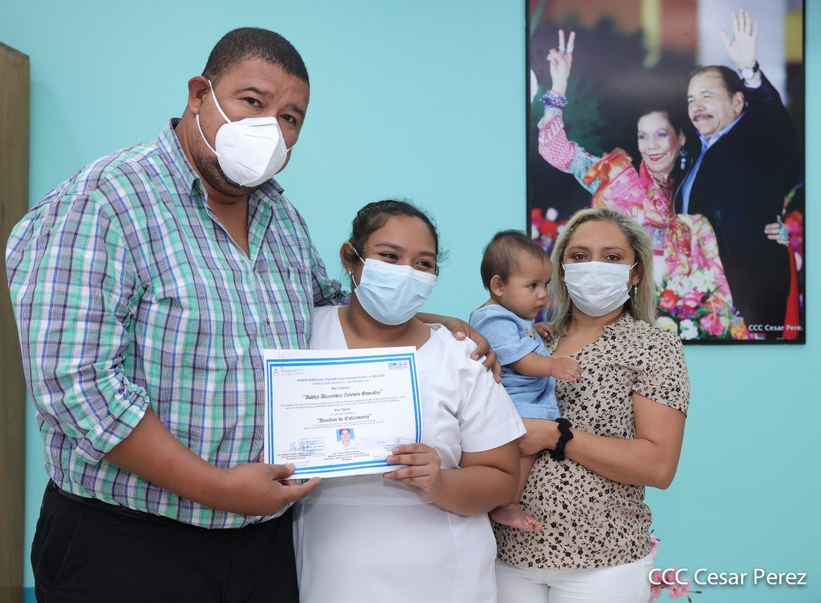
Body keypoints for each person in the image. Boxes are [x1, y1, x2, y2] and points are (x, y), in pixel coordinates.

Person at [6, 28, 494, 603]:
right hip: (129, 545)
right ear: (198, 94)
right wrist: (217, 488)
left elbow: (327, 309)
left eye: (291, 118)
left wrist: (431, 320)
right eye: (253, 102)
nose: (271, 130)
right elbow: (75, 387)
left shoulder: (279, 216)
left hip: (263, 543)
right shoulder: (103, 202)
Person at [294, 200, 526, 603]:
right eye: (389, 256)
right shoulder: (302, 337)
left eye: (423, 263)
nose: (406, 273)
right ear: (351, 259)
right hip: (329, 577)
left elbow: (502, 478)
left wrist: (439, 482)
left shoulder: (461, 357)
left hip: (447, 581)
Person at [493, 206, 690, 603]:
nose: (594, 267)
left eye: (612, 258)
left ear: (634, 273)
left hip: (604, 560)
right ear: (561, 270)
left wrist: (554, 435)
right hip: (504, 554)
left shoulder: (655, 346)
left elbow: (658, 466)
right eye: (579, 257)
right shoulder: (526, 340)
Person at [538, 30, 745, 339]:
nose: (652, 146)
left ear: (681, 137)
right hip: (626, 319)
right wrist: (558, 87)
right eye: (643, 136)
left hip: (694, 315)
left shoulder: (701, 182)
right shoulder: (620, 178)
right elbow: (555, 150)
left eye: (661, 134)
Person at [676, 9, 799, 339]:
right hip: (699, 287)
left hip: (749, 285)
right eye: (691, 99)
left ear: (738, 101)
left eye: (707, 96)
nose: (696, 106)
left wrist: (749, 69)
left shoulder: (754, 140)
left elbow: (775, 123)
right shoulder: (692, 150)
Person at [469, 230, 581, 532]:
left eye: (544, 285)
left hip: (526, 406)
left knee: (527, 454)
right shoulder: (492, 318)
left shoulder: (512, 318)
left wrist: (536, 329)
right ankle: (505, 503)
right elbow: (520, 361)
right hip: (514, 405)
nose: (543, 294)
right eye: (532, 285)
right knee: (521, 454)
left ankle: (508, 502)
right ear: (498, 285)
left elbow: (518, 340)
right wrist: (553, 366)